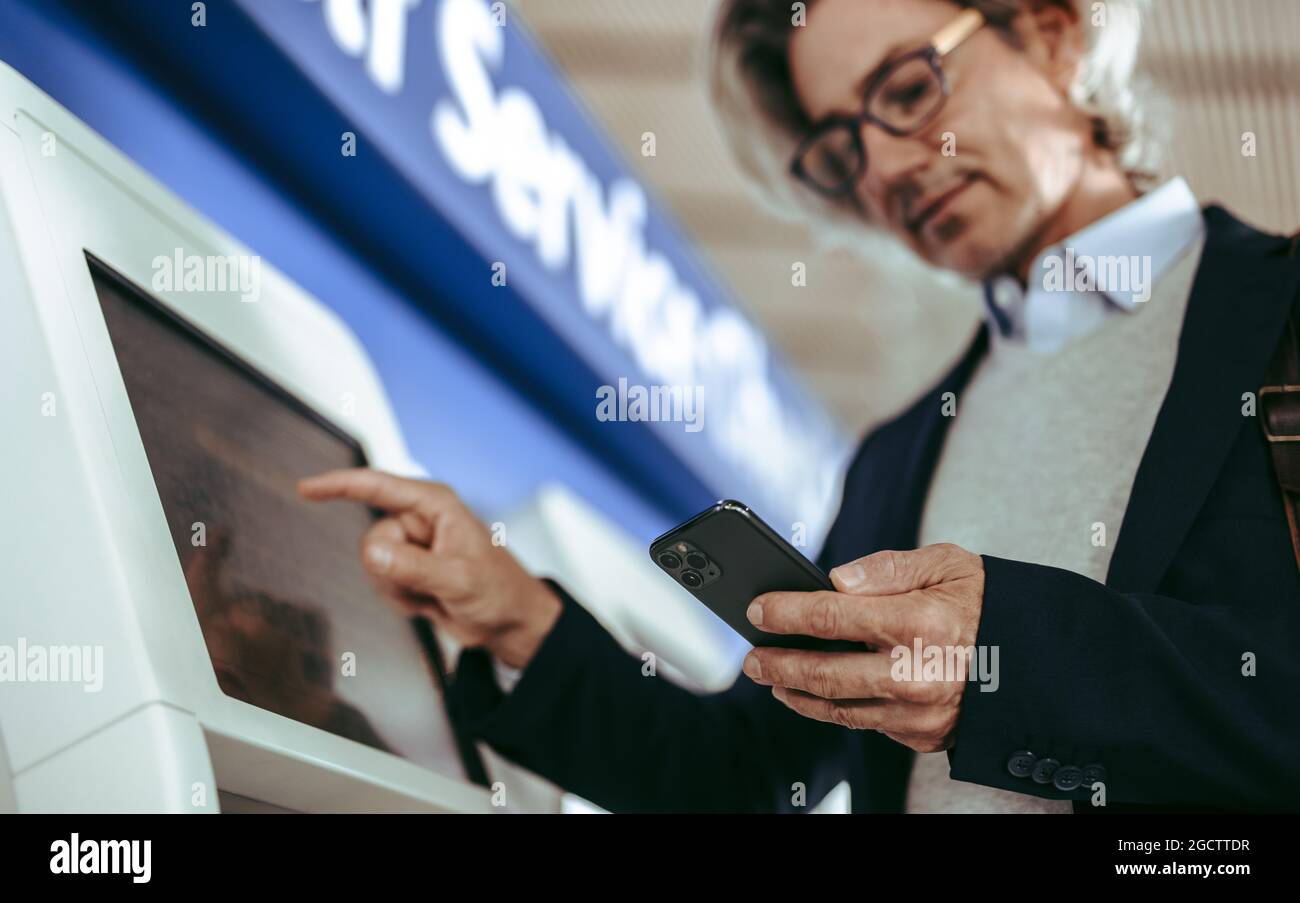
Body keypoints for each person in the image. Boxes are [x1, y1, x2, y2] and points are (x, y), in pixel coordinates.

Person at [299, 0, 1300, 812]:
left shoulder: (1281, 315)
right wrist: (517, 615)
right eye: (840, 146)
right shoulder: (896, 454)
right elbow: (741, 776)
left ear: (1052, 32)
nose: (887, 170)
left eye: (908, 89)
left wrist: (1007, 662)